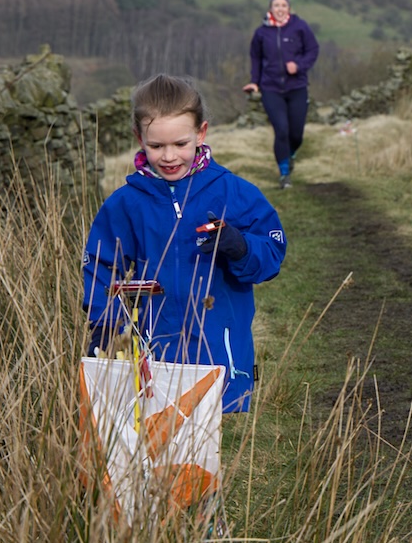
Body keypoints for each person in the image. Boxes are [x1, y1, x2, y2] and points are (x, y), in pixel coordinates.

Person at [83, 74, 288, 414]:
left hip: (220, 350)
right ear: (139, 138)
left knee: (211, 441)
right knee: (156, 433)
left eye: (180, 144)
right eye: (156, 146)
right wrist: (104, 322)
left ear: (201, 133)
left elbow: (272, 253)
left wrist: (240, 247)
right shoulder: (126, 203)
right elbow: (103, 263)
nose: (169, 156)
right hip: (154, 351)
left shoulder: (234, 192)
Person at [243, 0, 320, 189]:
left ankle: (290, 154)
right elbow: (256, 58)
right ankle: (284, 174)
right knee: (282, 130)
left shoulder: (300, 27)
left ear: (289, 8)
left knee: (296, 135)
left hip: (297, 87)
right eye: (276, 5)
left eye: (283, 5)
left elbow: (313, 50)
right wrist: (254, 81)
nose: (280, 9)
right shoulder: (261, 33)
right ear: (270, 8)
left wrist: (299, 65)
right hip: (271, 88)